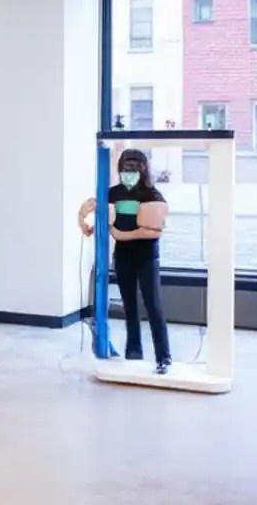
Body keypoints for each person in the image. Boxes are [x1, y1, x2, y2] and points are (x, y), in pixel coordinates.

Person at [78, 149, 172, 374]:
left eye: (134, 167)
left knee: (153, 305)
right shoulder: (112, 194)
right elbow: (94, 214)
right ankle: (134, 352)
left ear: (143, 169)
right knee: (129, 306)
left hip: (147, 256)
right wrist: (84, 219)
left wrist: (118, 233)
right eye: (126, 167)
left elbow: (154, 230)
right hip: (123, 256)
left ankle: (163, 357)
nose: (129, 171)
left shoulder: (152, 195)